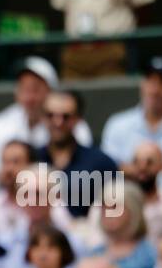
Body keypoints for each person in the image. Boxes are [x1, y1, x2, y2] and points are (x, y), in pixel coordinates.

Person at [0, 56, 92, 177]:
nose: (29, 97)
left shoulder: (71, 122)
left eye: (35, 89)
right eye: (24, 88)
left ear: (51, 92)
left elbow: (85, 164)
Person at [34, 90, 118, 218]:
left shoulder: (101, 163)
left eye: (65, 116)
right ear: (42, 117)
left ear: (78, 119)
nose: (58, 122)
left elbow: (115, 211)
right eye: (50, 115)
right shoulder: (31, 159)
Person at [99, 59, 162, 166]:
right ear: (142, 84)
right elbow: (106, 167)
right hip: (126, 181)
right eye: (150, 81)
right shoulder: (118, 124)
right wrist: (137, 170)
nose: (155, 90)